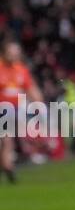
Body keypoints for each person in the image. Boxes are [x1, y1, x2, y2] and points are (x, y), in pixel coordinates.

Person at [0, 41, 44, 183]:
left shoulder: (21, 70)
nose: (14, 56)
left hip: (15, 110)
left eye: (16, 53)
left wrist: (39, 103)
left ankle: (8, 167)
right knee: (7, 141)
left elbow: (31, 89)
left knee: (8, 141)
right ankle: (8, 167)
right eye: (11, 53)